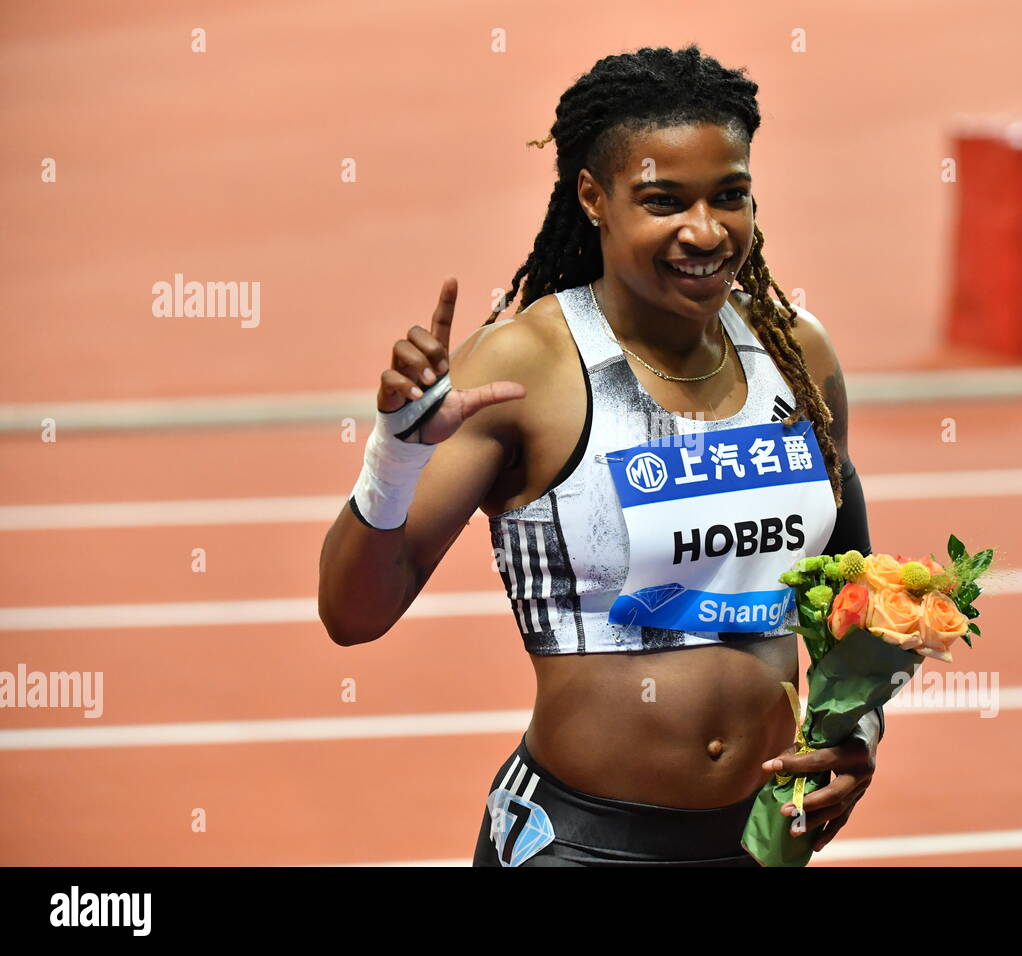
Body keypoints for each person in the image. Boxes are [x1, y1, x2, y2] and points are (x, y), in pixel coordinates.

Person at [318, 44, 883, 867]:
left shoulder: (795, 352)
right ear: (594, 195)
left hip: (764, 841)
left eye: (731, 197)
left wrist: (856, 728)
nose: (705, 231)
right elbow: (353, 615)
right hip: (581, 844)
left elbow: (849, 582)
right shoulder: (528, 365)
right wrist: (394, 460)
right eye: (663, 201)